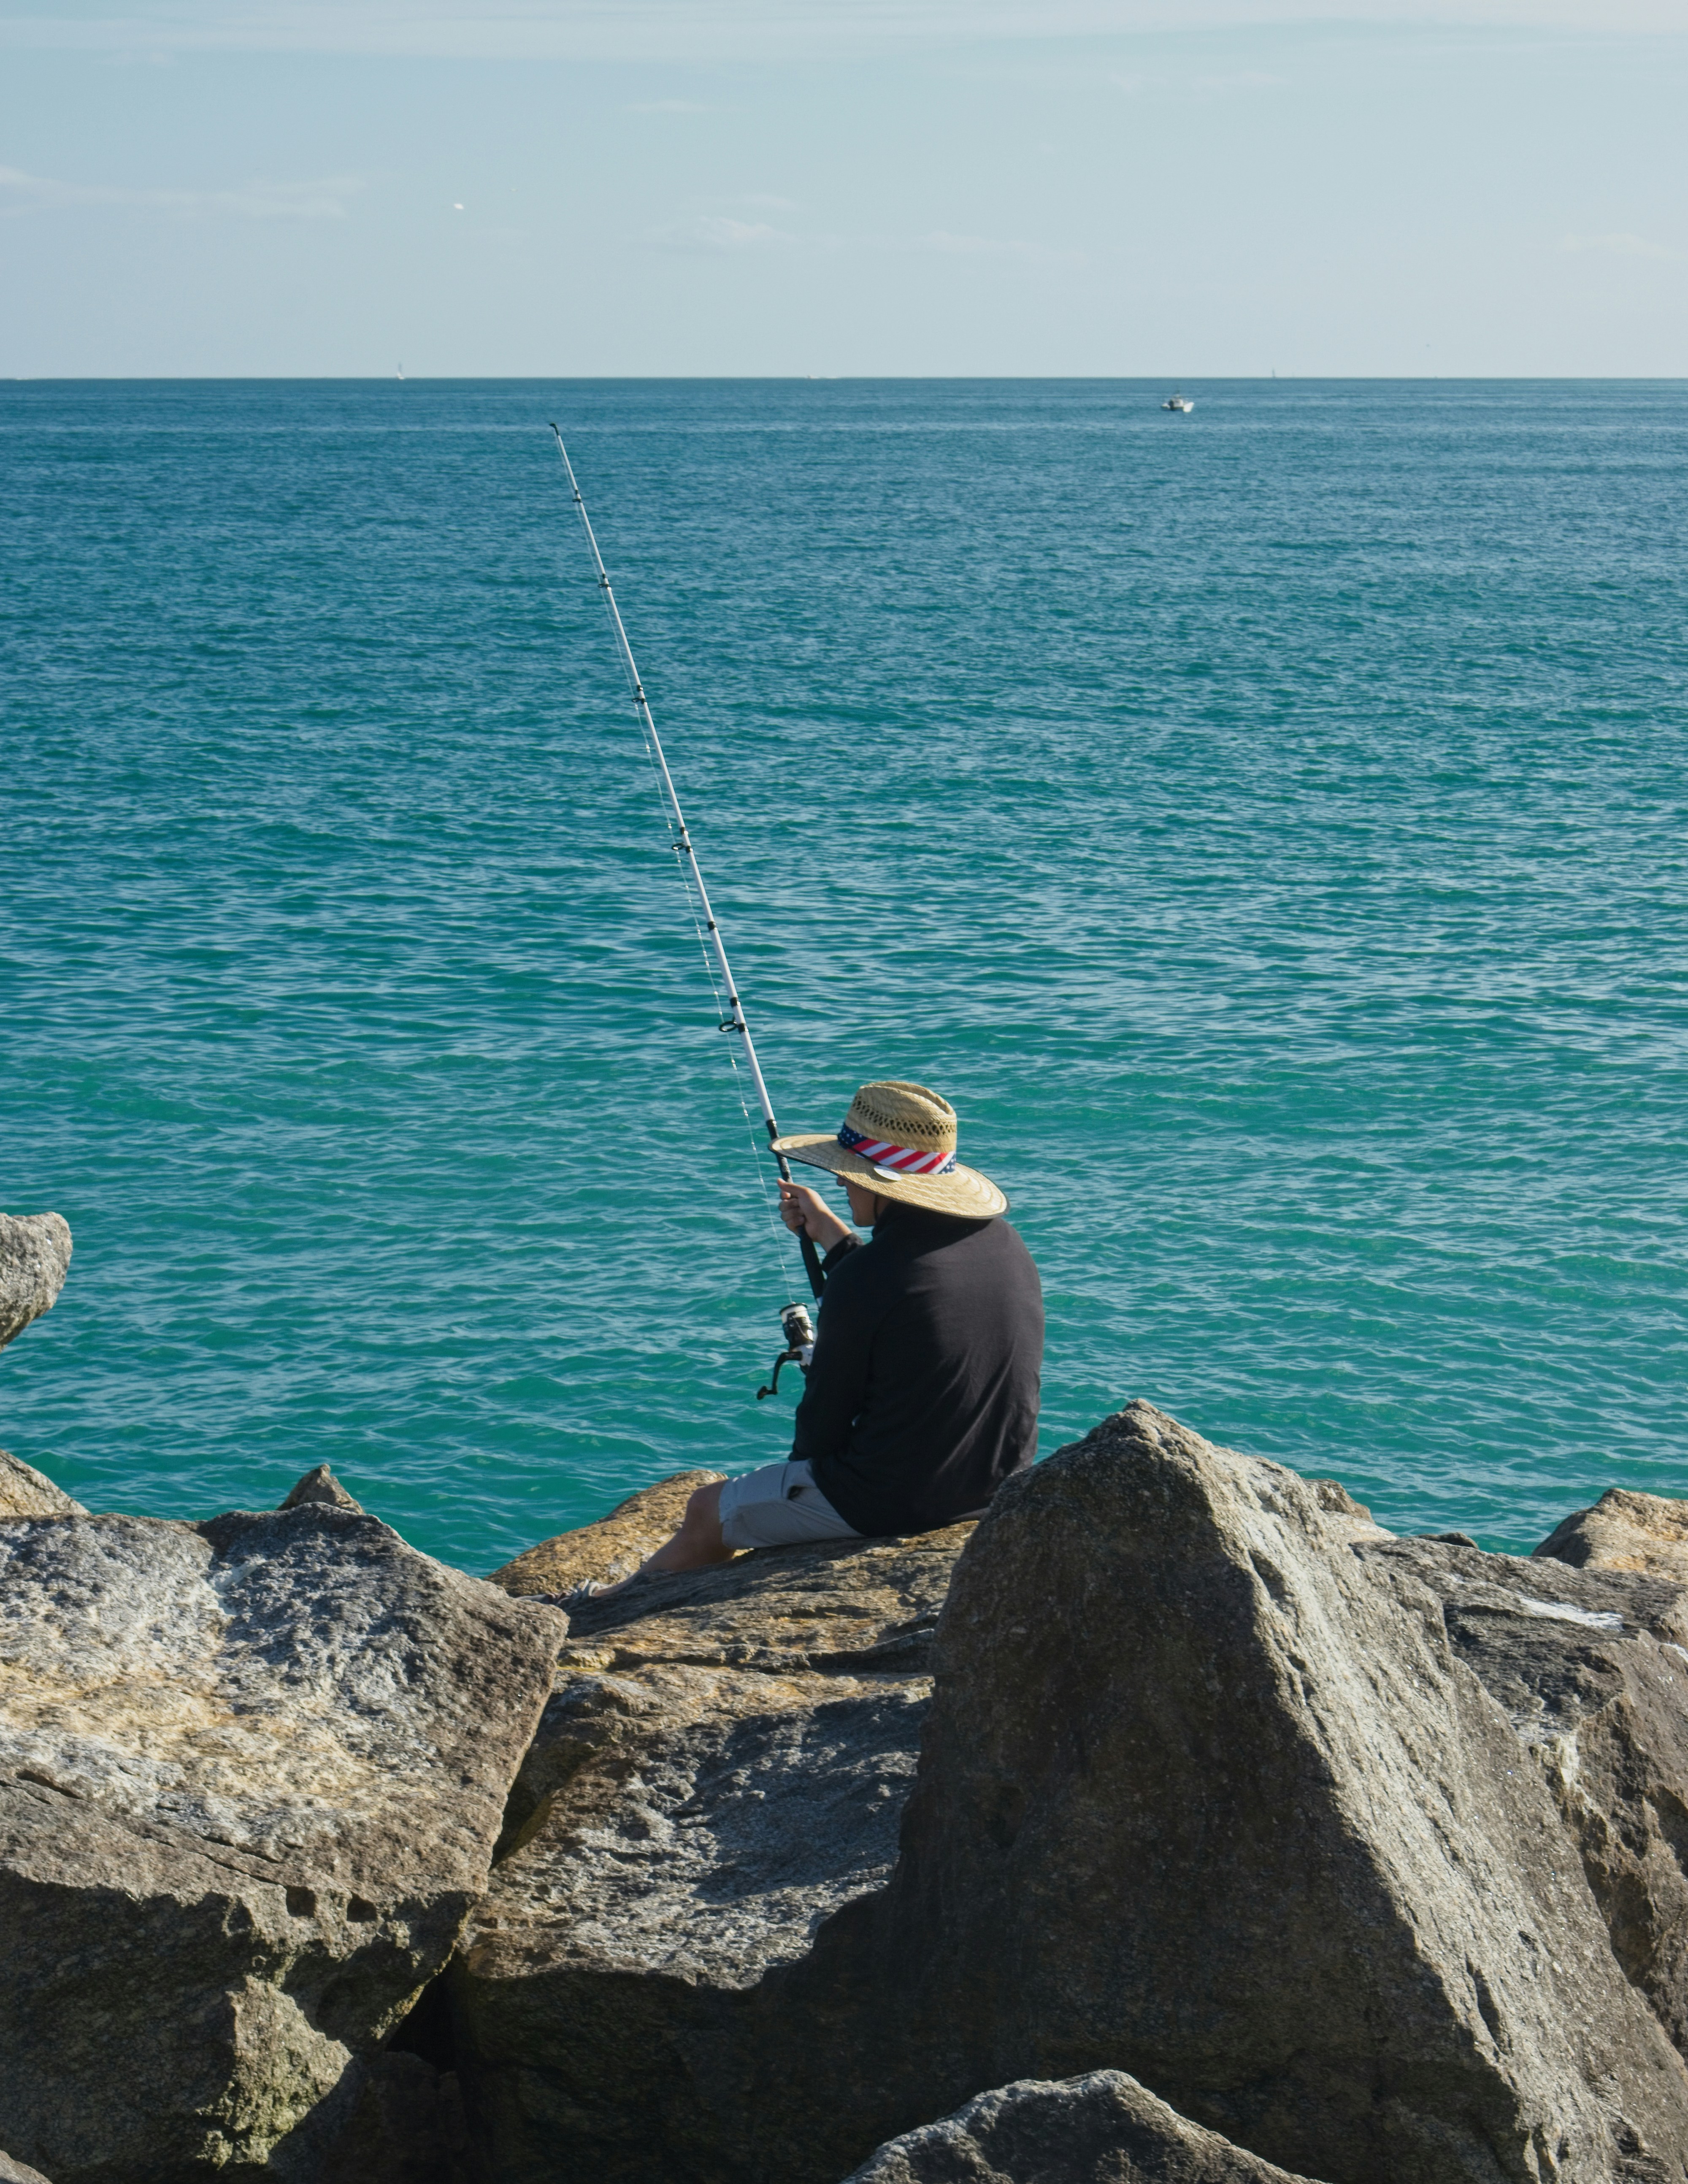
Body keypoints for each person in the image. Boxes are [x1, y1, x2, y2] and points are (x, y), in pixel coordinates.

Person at [582, 1080, 1043, 1597]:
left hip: (899, 1503)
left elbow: (822, 1427)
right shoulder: (1004, 1243)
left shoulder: (871, 1277)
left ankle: (601, 1607)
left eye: (848, 1176)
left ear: (879, 1181)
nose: (841, 1187)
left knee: (705, 1510)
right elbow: (912, 1301)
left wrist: (799, 1480)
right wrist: (832, 1234)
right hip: (994, 1484)